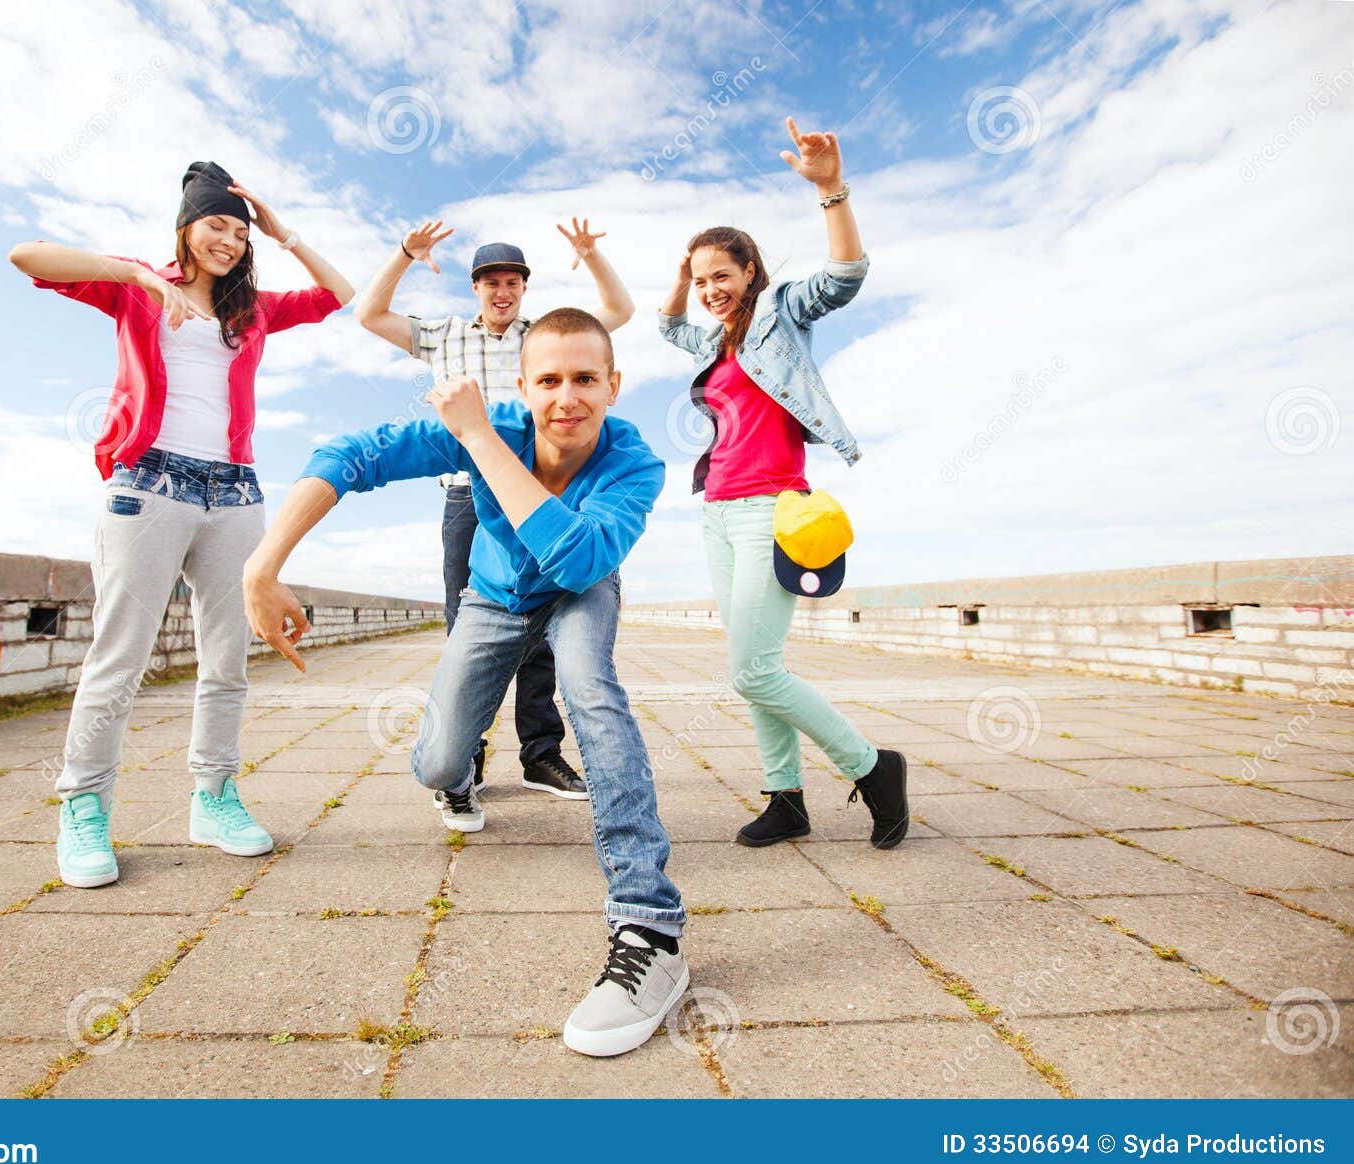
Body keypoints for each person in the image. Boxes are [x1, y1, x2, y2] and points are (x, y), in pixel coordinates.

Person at [242, 308, 688, 1058]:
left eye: (586, 379)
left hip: (579, 588)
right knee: (440, 761)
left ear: (614, 385)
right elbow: (352, 453)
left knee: (590, 686)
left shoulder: (633, 463)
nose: (567, 398)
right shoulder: (500, 426)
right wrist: (262, 565)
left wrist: (478, 438)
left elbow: (579, 559)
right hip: (493, 595)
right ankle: (457, 781)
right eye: (549, 380)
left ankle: (650, 925)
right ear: (524, 386)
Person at [8, 160, 354, 888]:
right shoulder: (137, 287)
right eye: (216, 226)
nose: (229, 241)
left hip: (235, 494)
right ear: (186, 228)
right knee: (120, 657)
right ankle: (84, 806)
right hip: (147, 484)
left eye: (240, 232)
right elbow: (26, 256)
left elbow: (337, 295)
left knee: (227, 660)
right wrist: (137, 275)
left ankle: (214, 797)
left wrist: (282, 231)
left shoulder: (251, 309)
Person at [658, 117, 909, 849]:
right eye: (702, 280)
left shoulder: (779, 313)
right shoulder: (713, 339)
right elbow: (668, 327)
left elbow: (844, 277)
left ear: (750, 273)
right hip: (717, 510)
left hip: (773, 510)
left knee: (753, 671)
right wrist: (681, 275)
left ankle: (873, 767)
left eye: (721, 275)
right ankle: (785, 797)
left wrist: (831, 190)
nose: (710, 290)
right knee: (757, 666)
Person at [351, 217, 636, 825]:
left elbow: (618, 311)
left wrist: (590, 255)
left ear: (524, 288)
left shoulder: (545, 337)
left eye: (512, 282)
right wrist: (405, 254)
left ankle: (541, 754)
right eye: (491, 282)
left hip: (544, 490)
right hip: (468, 492)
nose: (502, 292)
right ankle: (464, 759)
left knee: (547, 626)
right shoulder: (446, 336)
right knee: (472, 622)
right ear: (476, 288)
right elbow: (369, 315)